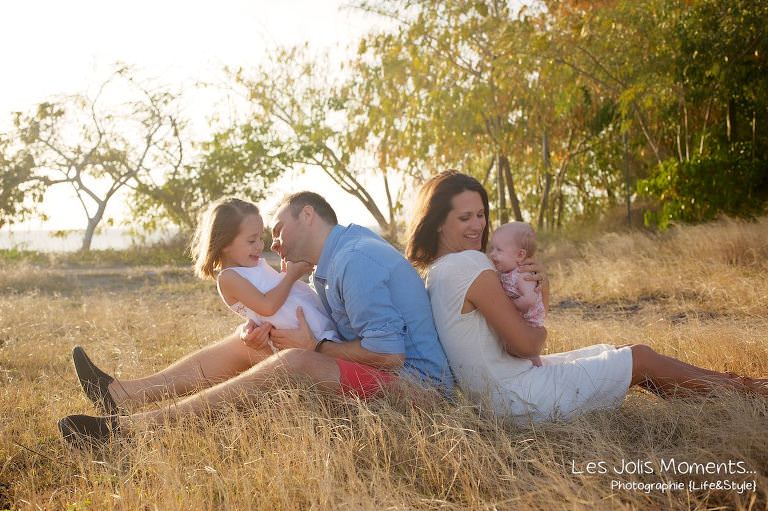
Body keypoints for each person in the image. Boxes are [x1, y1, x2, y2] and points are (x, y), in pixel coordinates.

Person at [59, 192, 454, 449]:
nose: (274, 243)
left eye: (278, 231)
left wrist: (313, 348)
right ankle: (120, 396)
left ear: (308, 216)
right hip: (381, 373)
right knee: (248, 344)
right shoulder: (329, 264)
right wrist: (273, 332)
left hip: (419, 392)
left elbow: (388, 356)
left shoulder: (355, 260)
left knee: (294, 362)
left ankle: (131, 432)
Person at [406, 170, 768, 423]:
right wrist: (539, 328)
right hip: (518, 400)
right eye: (465, 217)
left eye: (482, 214)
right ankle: (748, 391)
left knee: (620, 353)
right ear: (439, 221)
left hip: (498, 395)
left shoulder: (437, 271)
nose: (478, 225)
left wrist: (539, 294)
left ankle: (727, 393)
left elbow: (504, 338)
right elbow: (525, 345)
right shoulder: (469, 264)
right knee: (639, 359)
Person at [193, 197, 338, 344]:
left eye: (260, 238)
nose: (260, 246)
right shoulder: (228, 278)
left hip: (314, 321)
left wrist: (285, 274)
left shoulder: (252, 265)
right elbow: (267, 307)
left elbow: (274, 289)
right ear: (224, 243)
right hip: (300, 333)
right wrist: (291, 277)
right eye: (251, 241)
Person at [488, 222, 546, 367]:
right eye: (492, 248)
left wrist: (510, 306)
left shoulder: (522, 274)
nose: (492, 254)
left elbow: (530, 299)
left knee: (527, 351)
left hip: (529, 321)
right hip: (519, 318)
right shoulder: (505, 272)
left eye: (499, 250)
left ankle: (537, 368)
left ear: (520, 255)